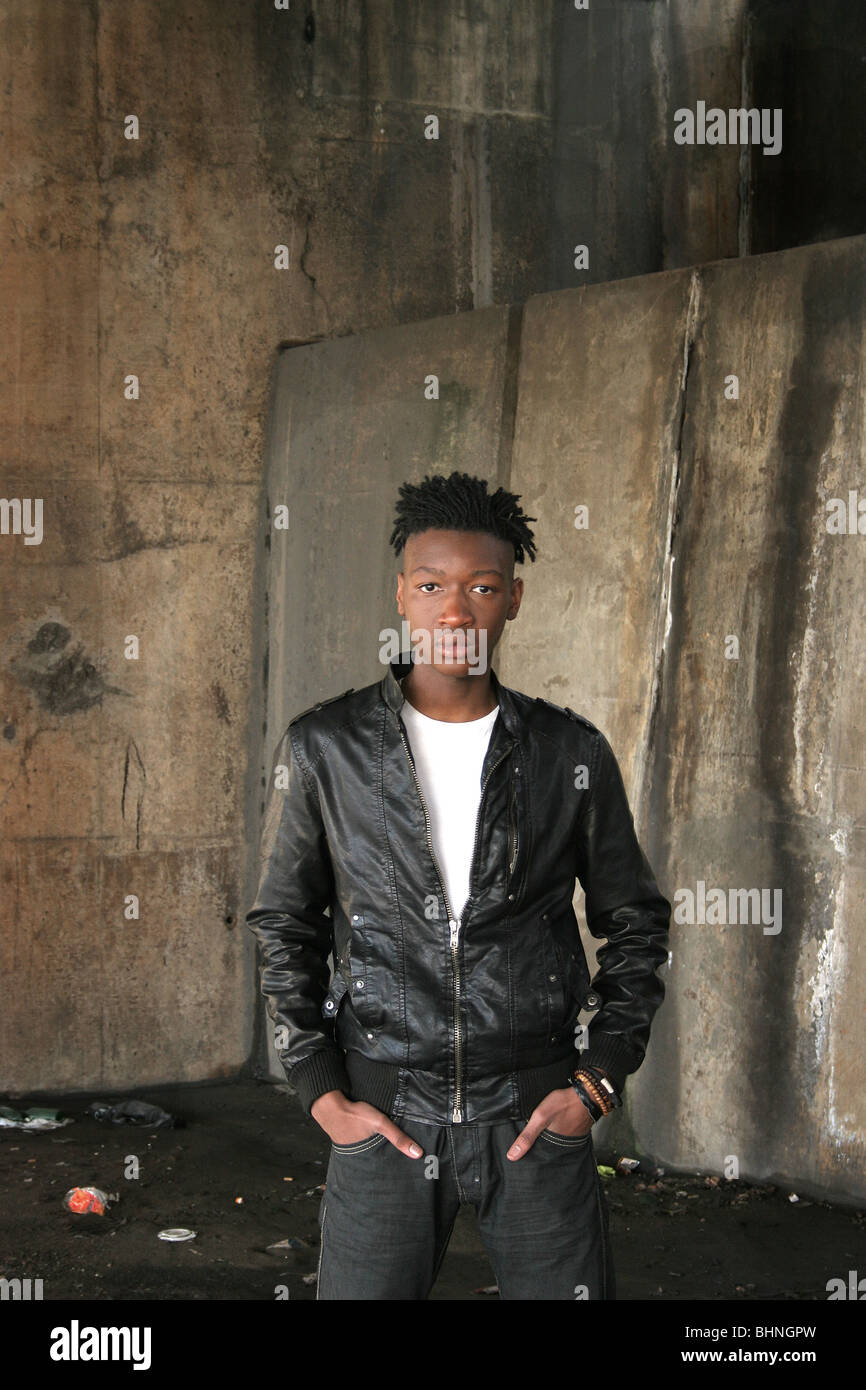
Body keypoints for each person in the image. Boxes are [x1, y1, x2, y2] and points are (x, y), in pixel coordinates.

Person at [245, 470, 671, 1300]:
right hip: (384, 1113)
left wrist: (599, 1077)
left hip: (535, 1114)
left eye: (481, 587)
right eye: (433, 584)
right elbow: (283, 922)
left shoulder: (567, 752)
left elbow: (637, 921)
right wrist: (319, 1089)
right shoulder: (326, 747)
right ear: (402, 594)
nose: (455, 610)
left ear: (514, 598)